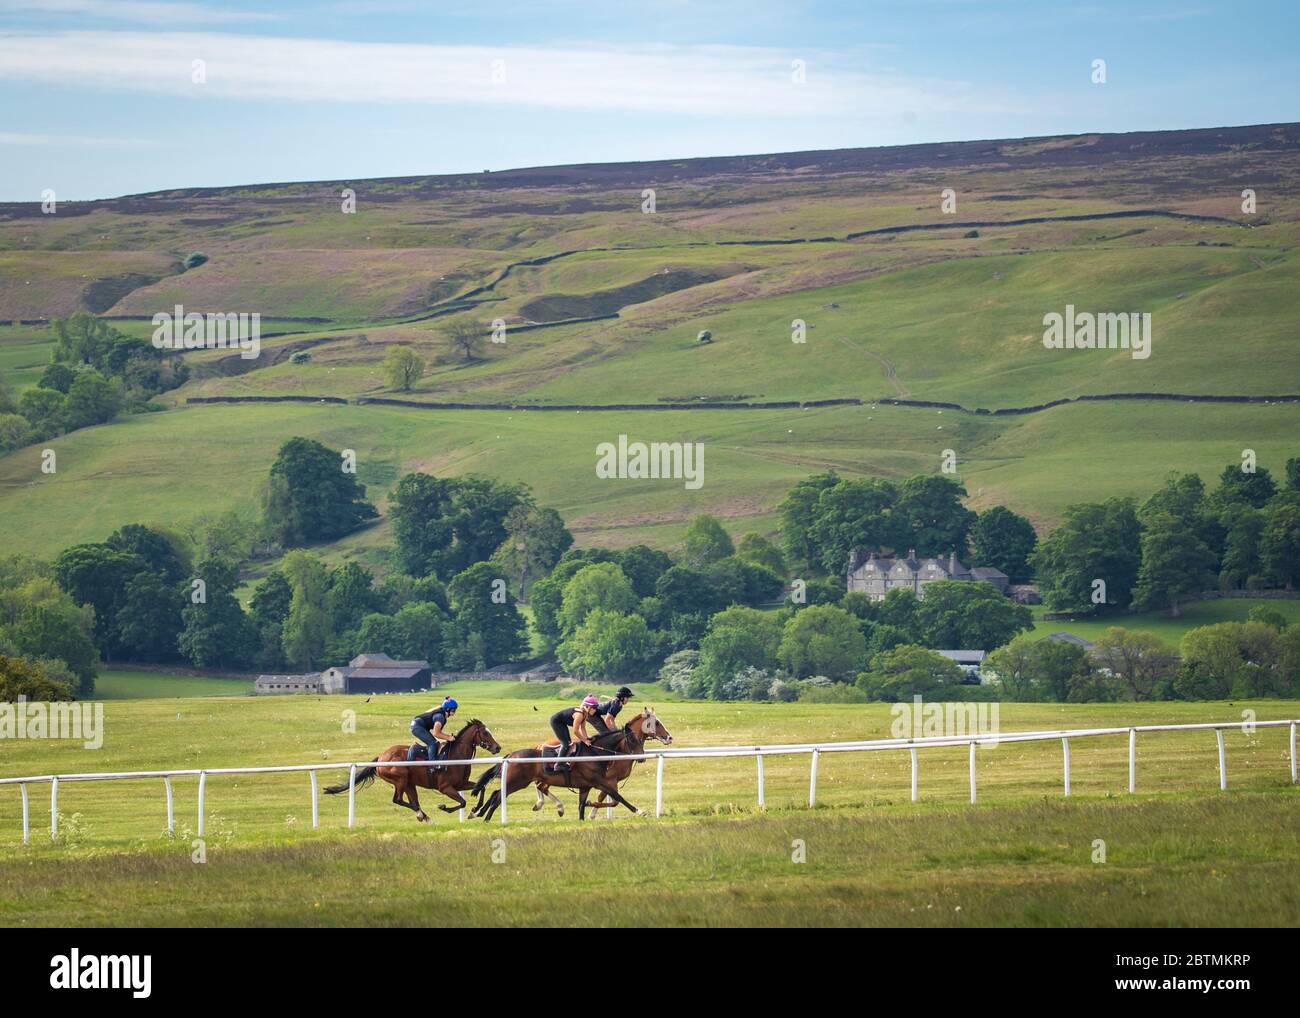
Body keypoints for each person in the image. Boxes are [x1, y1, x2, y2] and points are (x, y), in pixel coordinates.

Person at [547, 695, 599, 773]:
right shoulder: (579, 715)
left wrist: (586, 738)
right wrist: (584, 741)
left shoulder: (585, 714)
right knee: (565, 743)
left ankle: (563, 760)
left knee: (569, 742)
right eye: (594, 707)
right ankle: (558, 765)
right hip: (556, 722)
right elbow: (575, 731)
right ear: (587, 707)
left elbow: (583, 728)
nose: (595, 710)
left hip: (562, 722)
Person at [410, 697, 458, 774]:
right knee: (433, 743)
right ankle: (432, 766)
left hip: (419, 725)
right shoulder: (440, 717)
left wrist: (447, 736)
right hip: (417, 727)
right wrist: (449, 737)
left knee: (434, 742)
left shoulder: (441, 712)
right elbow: (436, 733)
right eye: (453, 710)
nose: (454, 713)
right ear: (448, 709)